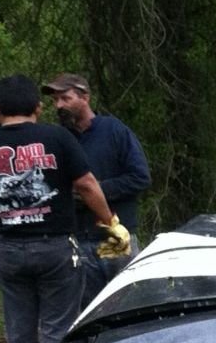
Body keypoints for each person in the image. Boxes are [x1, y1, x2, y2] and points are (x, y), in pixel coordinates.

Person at [0, 74, 130, 343]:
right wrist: (111, 222)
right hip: (55, 247)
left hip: (8, 250)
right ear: (38, 108)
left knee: (20, 331)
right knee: (57, 329)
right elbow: (86, 184)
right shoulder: (56, 138)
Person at [42, 73, 150, 304]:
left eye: (65, 98)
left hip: (116, 237)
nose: (59, 105)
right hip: (75, 241)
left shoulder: (114, 131)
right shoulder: (58, 139)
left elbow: (140, 177)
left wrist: (97, 191)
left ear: (85, 97)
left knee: (127, 304)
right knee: (84, 311)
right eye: (55, 101)